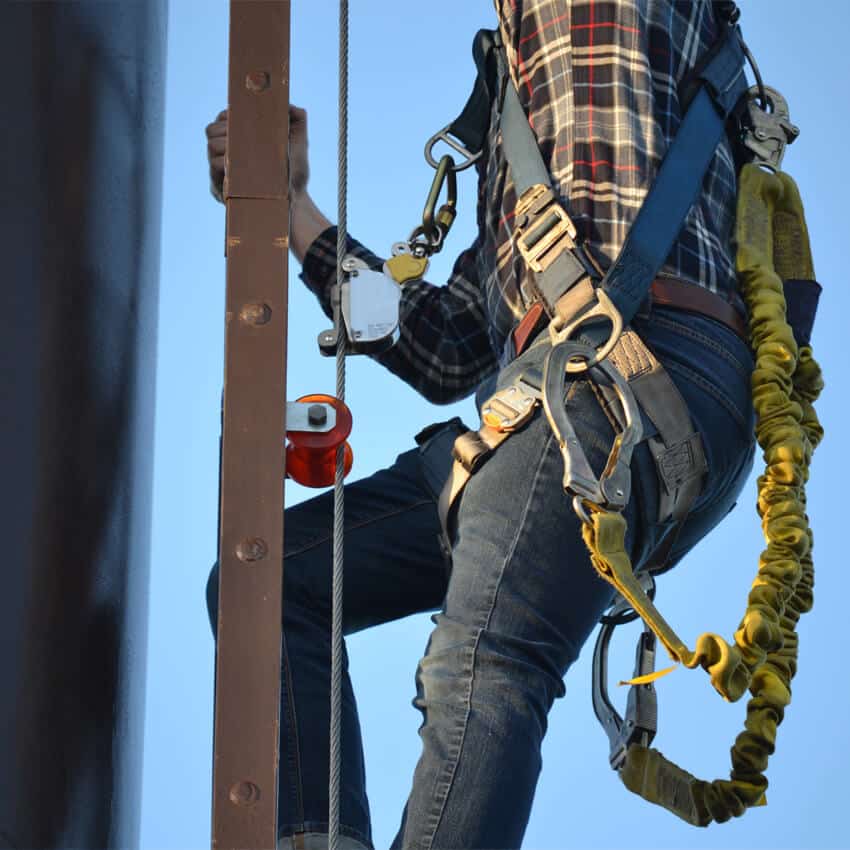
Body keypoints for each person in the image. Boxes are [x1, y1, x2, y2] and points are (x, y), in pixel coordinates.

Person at [205, 2, 756, 847]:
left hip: (635, 366)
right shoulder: (524, 124)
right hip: (565, 388)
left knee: (486, 664)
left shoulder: (590, 21)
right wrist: (294, 212)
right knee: (270, 584)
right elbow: (447, 345)